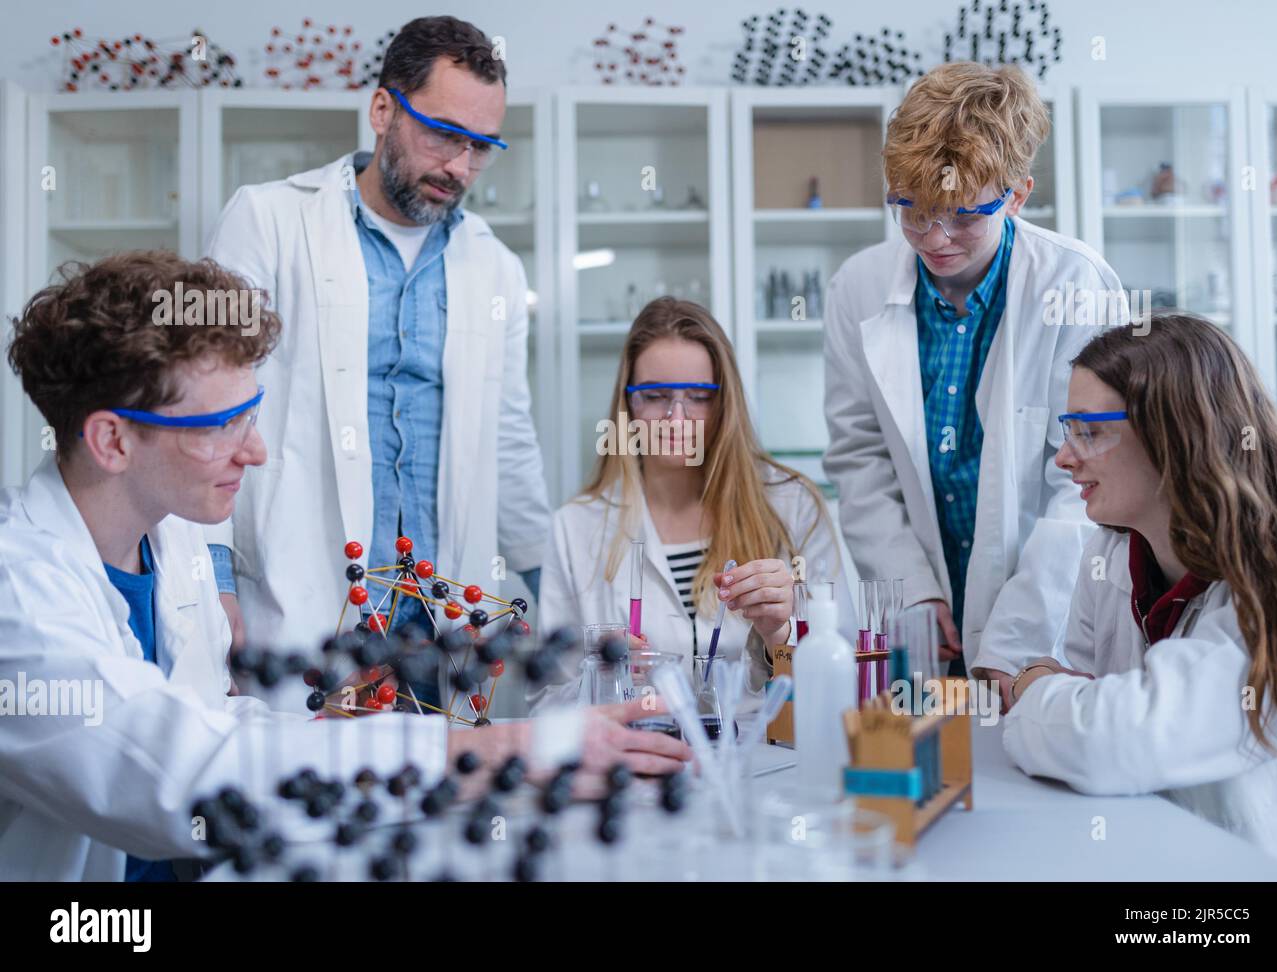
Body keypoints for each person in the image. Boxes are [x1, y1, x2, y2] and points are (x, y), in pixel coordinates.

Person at [0, 252, 689, 881]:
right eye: (222, 426)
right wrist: (513, 750)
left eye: (252, 416)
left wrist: (342, 733)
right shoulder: (19, 601)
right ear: (112, 439)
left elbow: (219, 722)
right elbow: (185, 772)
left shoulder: (170, 540)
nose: (257, 451)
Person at [204, 15, 550, 668]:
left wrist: (552, 596)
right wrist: (212, 585)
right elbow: (202, 412)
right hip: (299, 603)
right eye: (445, 135)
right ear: (384, 109)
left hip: (438, 626)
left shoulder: (496, 265)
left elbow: (509, 439)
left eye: (482, 146)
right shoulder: (267, 222)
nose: (460, 166)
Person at [823, 61, 1128, 697]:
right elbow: (860, 457)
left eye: (962, 215)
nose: (935, 238)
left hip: (1049, 615)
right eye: (912, 209)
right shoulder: (858, 287)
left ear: (1017, 193)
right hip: (923, 605)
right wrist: (910, 589)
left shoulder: (1074, 286)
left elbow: (1087, 479)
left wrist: (1016, 633)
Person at [1002, 314, 1277, 868]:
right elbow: (1089, 707)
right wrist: (1067, 704)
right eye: (1067, 431)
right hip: (1152, 852)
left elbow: (1110, 740)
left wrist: (1030, 686)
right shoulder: (1114, 552)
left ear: (1176, 435)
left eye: (1089, 431)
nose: (1064, 459)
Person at [531, 298, 854, 711]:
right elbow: (546, 703)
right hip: (637, 768)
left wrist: (781, 636)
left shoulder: (793, 507)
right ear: (629, 403)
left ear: (725, 403)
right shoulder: (575, 527)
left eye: (699, 395)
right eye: (656, 395)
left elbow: (847, 683)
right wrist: (600, 682)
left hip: (766, 768)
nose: (676, 418)